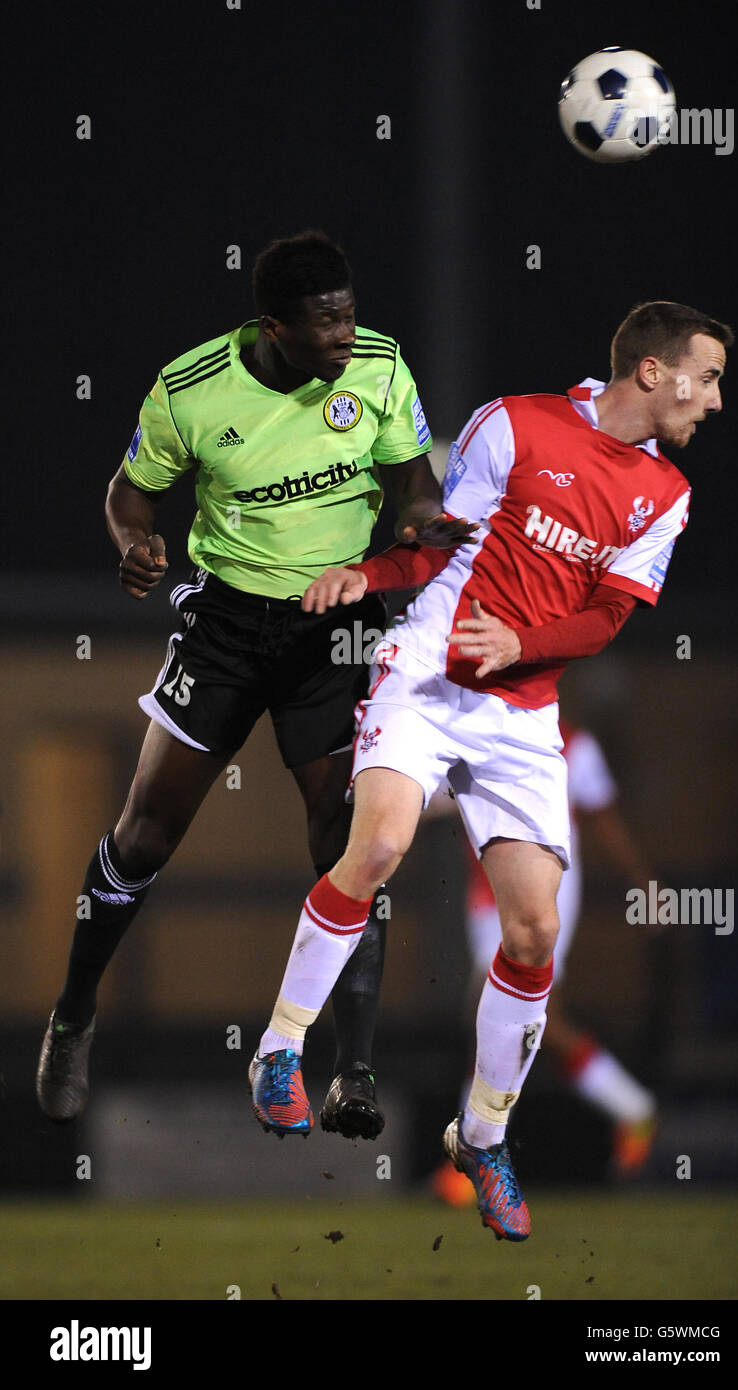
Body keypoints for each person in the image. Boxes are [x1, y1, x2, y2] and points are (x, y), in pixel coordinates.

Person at [246, 300, 731, 1241]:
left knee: (536, 931)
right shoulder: (517, 424)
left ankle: (482, 1136)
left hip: (522, 711)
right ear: (651, 372)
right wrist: (367, 578)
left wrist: (522, 642)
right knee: (380, 842)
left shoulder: (664, 495)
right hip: (427, 673)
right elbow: (434, 541)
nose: (713, 400)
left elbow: (606, 617)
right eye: (704, 378)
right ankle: (277, 1050)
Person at [35, 230, 473, 1133]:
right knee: (146, 832)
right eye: (326, 322)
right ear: (274, 326)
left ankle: (352, 1069)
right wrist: (135, 546)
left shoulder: (381, 370)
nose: (347, 333)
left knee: (348, 840)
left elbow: (411, 485)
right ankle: (73, 1016)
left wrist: (427, 520)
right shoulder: (192, 390)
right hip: (230, 624)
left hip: (338, 625)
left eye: (350, 313)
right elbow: (129, 493)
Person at [430, 717, 660, 1207]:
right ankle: (630, 1108)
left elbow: (602, 819)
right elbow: (436, 797)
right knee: (520, 1021)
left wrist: (641, 880)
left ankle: (474, 1158)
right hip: (486, 895)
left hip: (548, 891)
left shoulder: (574, 743)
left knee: (499, 1012)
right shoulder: (472, 735)